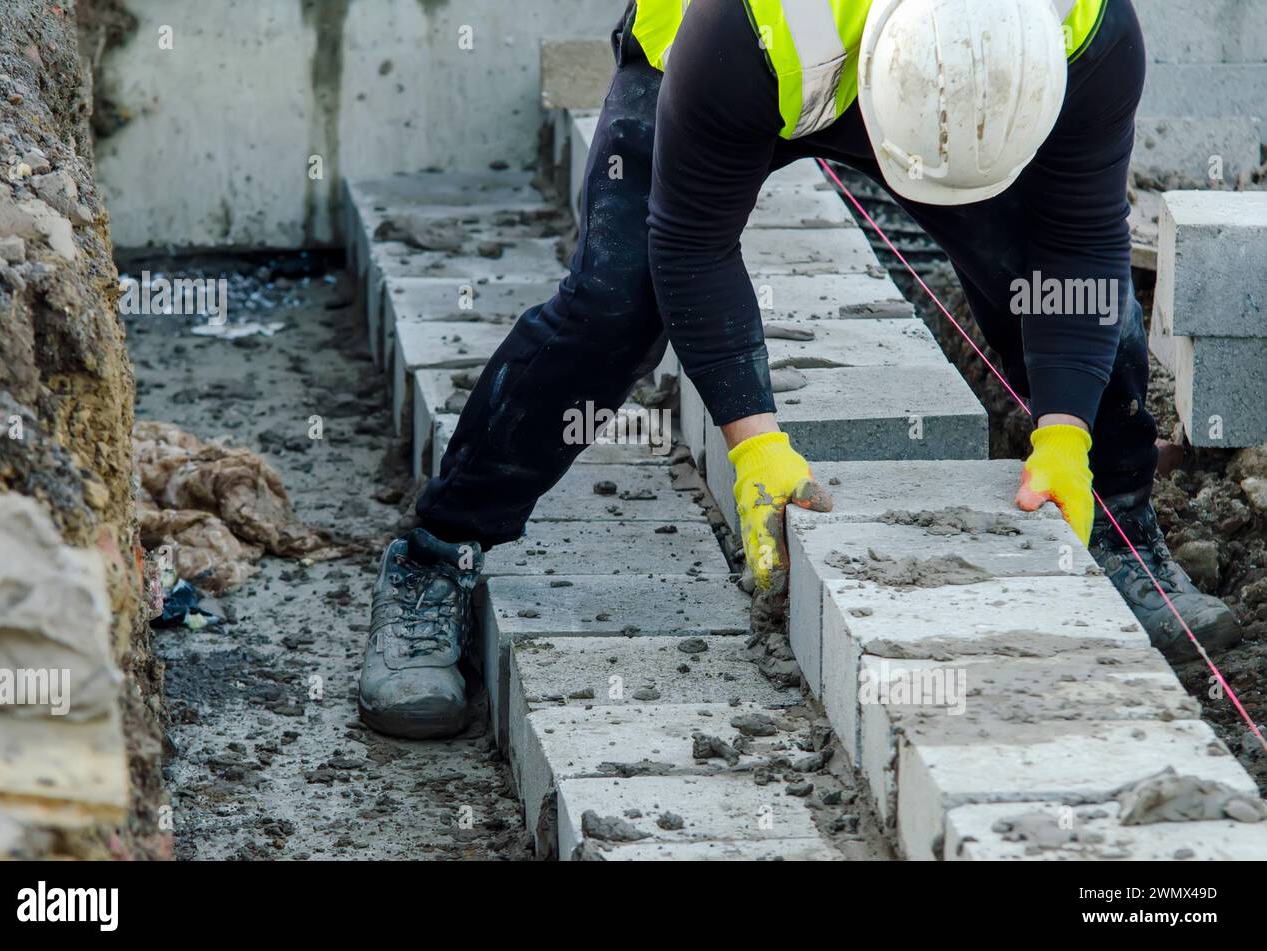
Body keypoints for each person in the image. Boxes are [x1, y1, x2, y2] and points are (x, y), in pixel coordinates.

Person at [357, 0, 1241, 739]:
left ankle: (1122, 530)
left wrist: (1065, 434)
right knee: (615, 301)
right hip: (721, 69)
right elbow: (692, 243)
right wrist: (755, 445)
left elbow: (1083, 241)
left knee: (1062, 294)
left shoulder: (1083, 28)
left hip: (955, 85)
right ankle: (436, 552)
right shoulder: (752, 27)